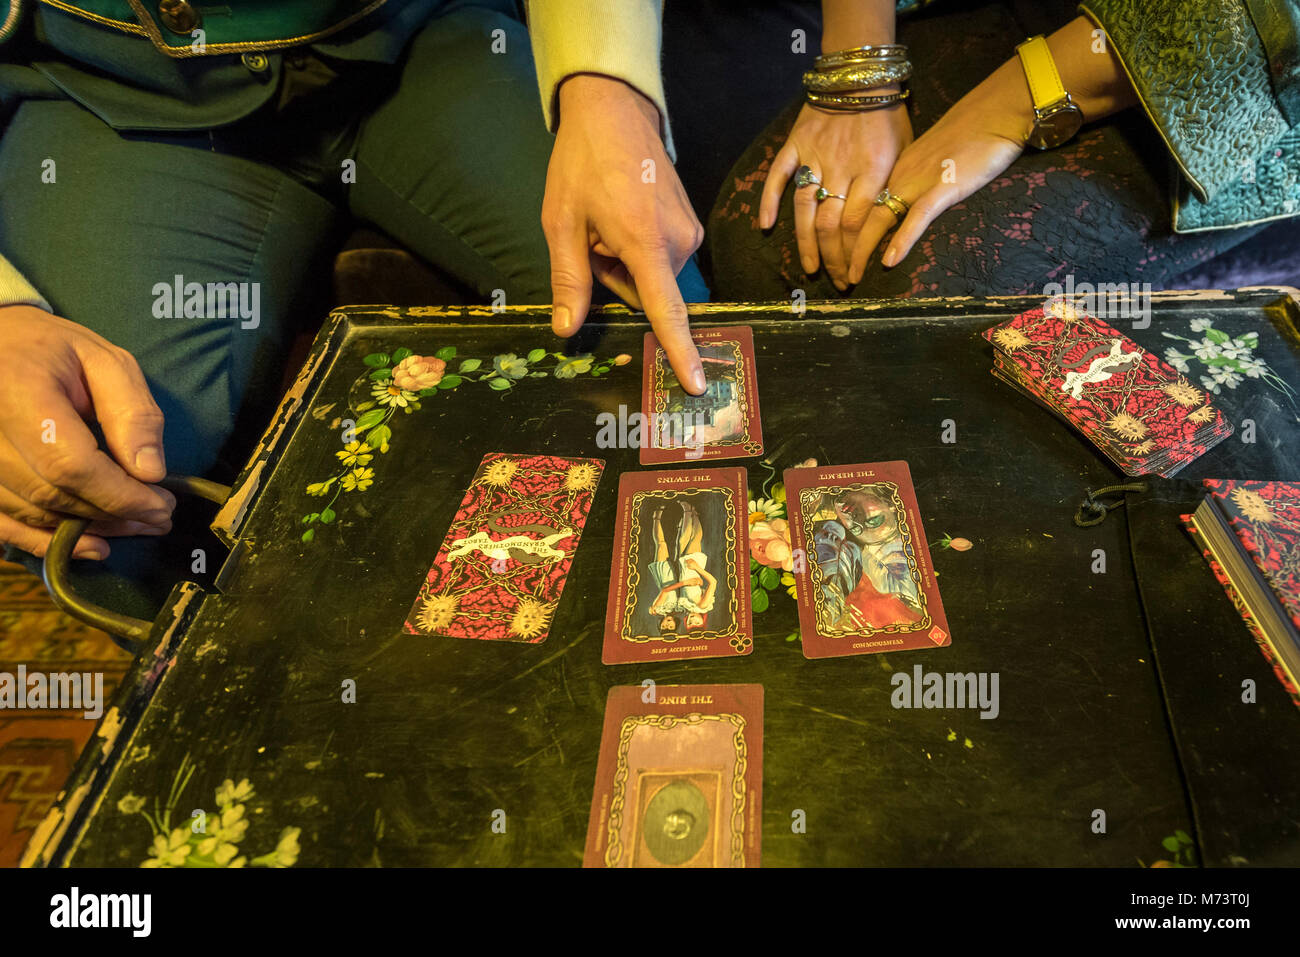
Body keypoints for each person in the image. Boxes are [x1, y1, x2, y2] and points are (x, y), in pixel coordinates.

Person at [0, 0, 707, 618]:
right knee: (92, 512)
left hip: (414, 40)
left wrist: (605, 88)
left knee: (678, 361)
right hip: (114, 93)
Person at [706, 0, 1300, 299]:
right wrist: (861, 65)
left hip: (1227, 56)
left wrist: (1008, 107)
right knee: (753, 245)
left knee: (906, 284)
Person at [647, 503, 716, 634]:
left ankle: (661, 516)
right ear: (703, 620)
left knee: (667, 544)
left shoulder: (680, 608)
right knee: (693, 540)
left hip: (671, 573)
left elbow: (668, 590)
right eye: (696, 622)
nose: (692, 620)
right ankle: (691, 513)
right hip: (691, 568)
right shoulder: (701, 606)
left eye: (689, 623)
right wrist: (698, 576)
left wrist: (688, 582)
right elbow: (710, 584)